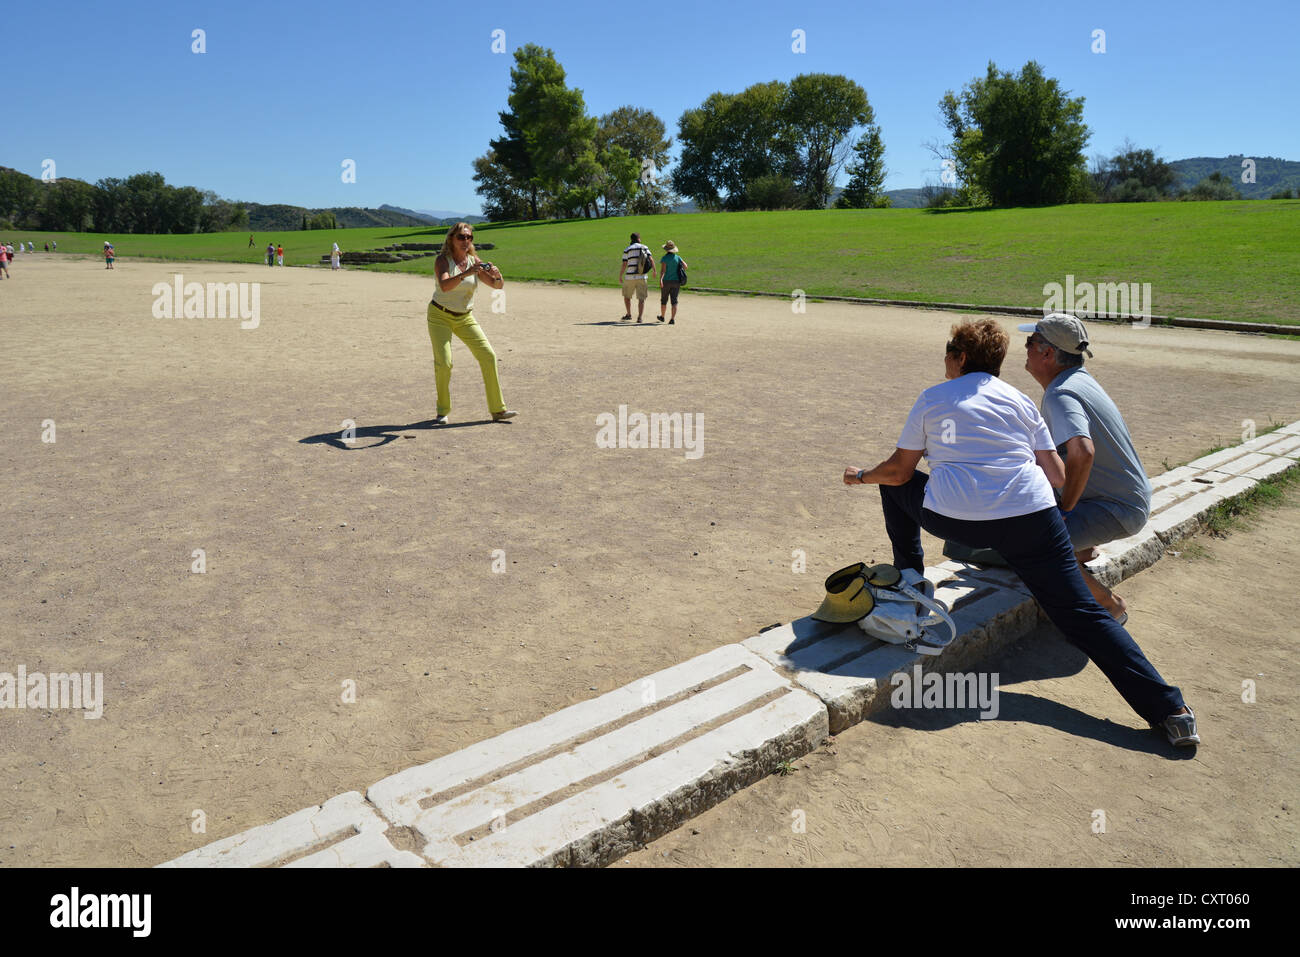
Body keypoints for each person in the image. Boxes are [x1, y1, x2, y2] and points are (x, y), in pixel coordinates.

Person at [842, 318, 1199, 746]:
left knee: (891, 484)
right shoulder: (1021, 401)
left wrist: (861, 475)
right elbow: (1057, 473)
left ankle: (912, 579)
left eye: (947, 354)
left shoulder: (932, 398)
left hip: (953, 519)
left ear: (958, 358)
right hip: (1030, 518)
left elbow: (900, 472)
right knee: (1080, 614)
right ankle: (1171, 711)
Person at [1010, 314, 1148, 622]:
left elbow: (1083, 452)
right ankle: (1082, 549)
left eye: (1030, 343)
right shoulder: (1079, 379)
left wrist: (1067, 509)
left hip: (1116, 510)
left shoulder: (1060, 394)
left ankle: (1110, 604)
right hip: (1125, 499)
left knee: (1031, 549)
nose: (1026, 348)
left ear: (1047, 353)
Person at [425, 222, 518, 425]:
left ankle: (498, 410)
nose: (466, 240)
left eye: (469, 237)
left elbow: (497, 286)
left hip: (465, 317)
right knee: (445, 362)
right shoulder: (443, 260)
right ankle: (442, 411)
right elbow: (445, 285)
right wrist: (468, 273)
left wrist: (497, 275)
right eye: (461, 237)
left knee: (488, 356)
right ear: (451, 239)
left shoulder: (473, 261)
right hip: (439, 315)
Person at [619, 232, 656, 322]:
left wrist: (620, 275)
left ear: (631, 239)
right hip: (642, 276)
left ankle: (629, 314)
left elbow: (624, 264)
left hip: (630, 277)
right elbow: (651, 259)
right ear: (639, 239)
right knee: (641, 298)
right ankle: (639, 317)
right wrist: (654, 271)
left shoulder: (627, 249)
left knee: (627, 297)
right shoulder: (644, 247)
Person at [656, 240, 687, 324]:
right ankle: (672, 319)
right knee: (674, 301)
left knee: (664, 300)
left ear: (666, 249)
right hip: (676, 281)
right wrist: (679, 269)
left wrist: (661, 280)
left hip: (666, 281)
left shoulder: (664, 258)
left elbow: (663, 271)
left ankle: (662, 317)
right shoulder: (677, 257)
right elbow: (685, 266)